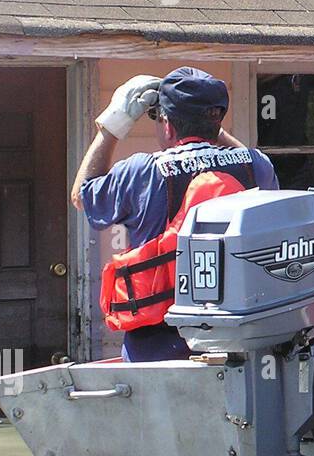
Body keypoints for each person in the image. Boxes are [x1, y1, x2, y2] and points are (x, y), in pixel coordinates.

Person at [70, 68, 278, 361]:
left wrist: (112, 125)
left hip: (158, 344)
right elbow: (251, 170)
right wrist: (209, 124)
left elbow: (82, 195)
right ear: (217, 120)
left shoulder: (141, 171)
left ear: (167, 126)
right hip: (242, 337)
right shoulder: (256, 166)